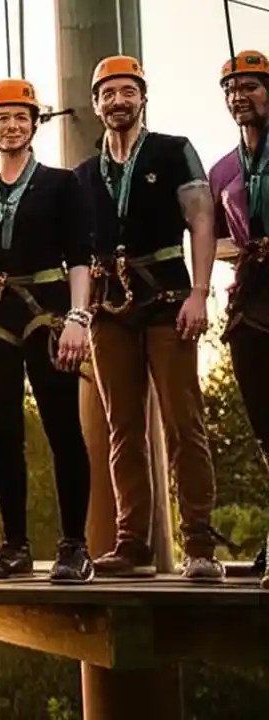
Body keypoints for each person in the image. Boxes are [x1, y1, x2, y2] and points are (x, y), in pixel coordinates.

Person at [73, 55, 224, 581]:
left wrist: (200, 293)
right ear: (95, 105)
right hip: (110, 308)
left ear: (142, 97)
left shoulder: (172, 151)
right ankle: (131, 542)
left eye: (126, 91)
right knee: (123, 428)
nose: (117, 100)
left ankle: (199, 545)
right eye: (108, 93)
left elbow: (201, 219)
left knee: (184, 422)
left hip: (166, 299)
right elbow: (75, 252)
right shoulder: (86, 175)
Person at [0, 78, 95, 584]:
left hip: (48, 315)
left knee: (62, 428)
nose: (11, 126)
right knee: (3, 433)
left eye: (20, 118)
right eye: (2, 119)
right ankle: (14, 547)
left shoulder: (61, 184)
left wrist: (79, 318)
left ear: (34, 125)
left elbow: (80, 257)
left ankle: (75, 547)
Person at [208, 49, 269, 589]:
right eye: (232, 89)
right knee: (265, 429)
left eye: (250, 86)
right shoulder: (223, 170)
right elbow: (216, 240)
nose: (240, 97)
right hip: (249, 301)